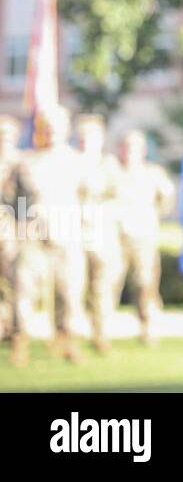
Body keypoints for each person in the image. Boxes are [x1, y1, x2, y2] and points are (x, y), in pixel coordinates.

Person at [9, 105, 90, 365]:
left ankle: (68, 341)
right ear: (40, 128)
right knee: (24, 290)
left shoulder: (78, 162)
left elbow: (87, 199)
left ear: (66, 129)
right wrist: (19, 227)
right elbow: (16, 200)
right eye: (48, 125)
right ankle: (20, 341)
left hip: (68, 235)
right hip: (33, 236)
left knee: (70, 291)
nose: (53, 130)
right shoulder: (27, 161)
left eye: (58, 125)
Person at [114, 129, 175, 346]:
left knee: (145, 284)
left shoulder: (153, 174)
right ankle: (103, 331)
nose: (131, 151)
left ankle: (148, 327)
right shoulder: (112, 173)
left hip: (143, 237)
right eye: (127, 146)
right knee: (109, 284)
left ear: (144, 150)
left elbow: (166, 201)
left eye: (136, 147)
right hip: (114, 238)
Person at [76, 114, 123, 355]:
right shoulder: (70, 162)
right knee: (74, 288)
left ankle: (101, 334)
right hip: (74, 234)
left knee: (103, 287)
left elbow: (119, 197)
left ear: (101, 138)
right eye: (82, 135)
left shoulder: (109, 165)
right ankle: (69, 338)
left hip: (103, 234)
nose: (86, 140)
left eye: (91, 135)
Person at [0, 115, 23, 345]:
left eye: (8, 134)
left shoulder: (21, 162)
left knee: (11, 281)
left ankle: (11, 328)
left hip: (9, 228)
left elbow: (24, 199)